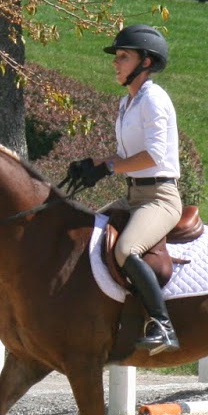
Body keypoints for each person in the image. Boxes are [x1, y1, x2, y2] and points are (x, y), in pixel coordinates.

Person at [65, 24, 182, 354]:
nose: (115, 63)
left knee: (125, 250)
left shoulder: (154, 100)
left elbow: (155, 156)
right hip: (133, 195)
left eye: (123, 56)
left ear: (145, 62)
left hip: (160, 197)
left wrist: (111, 167)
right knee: (84, 237)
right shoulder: (127, 103)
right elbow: (127, 156)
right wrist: (94, 166)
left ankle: (163, 325)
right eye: (116, 56)